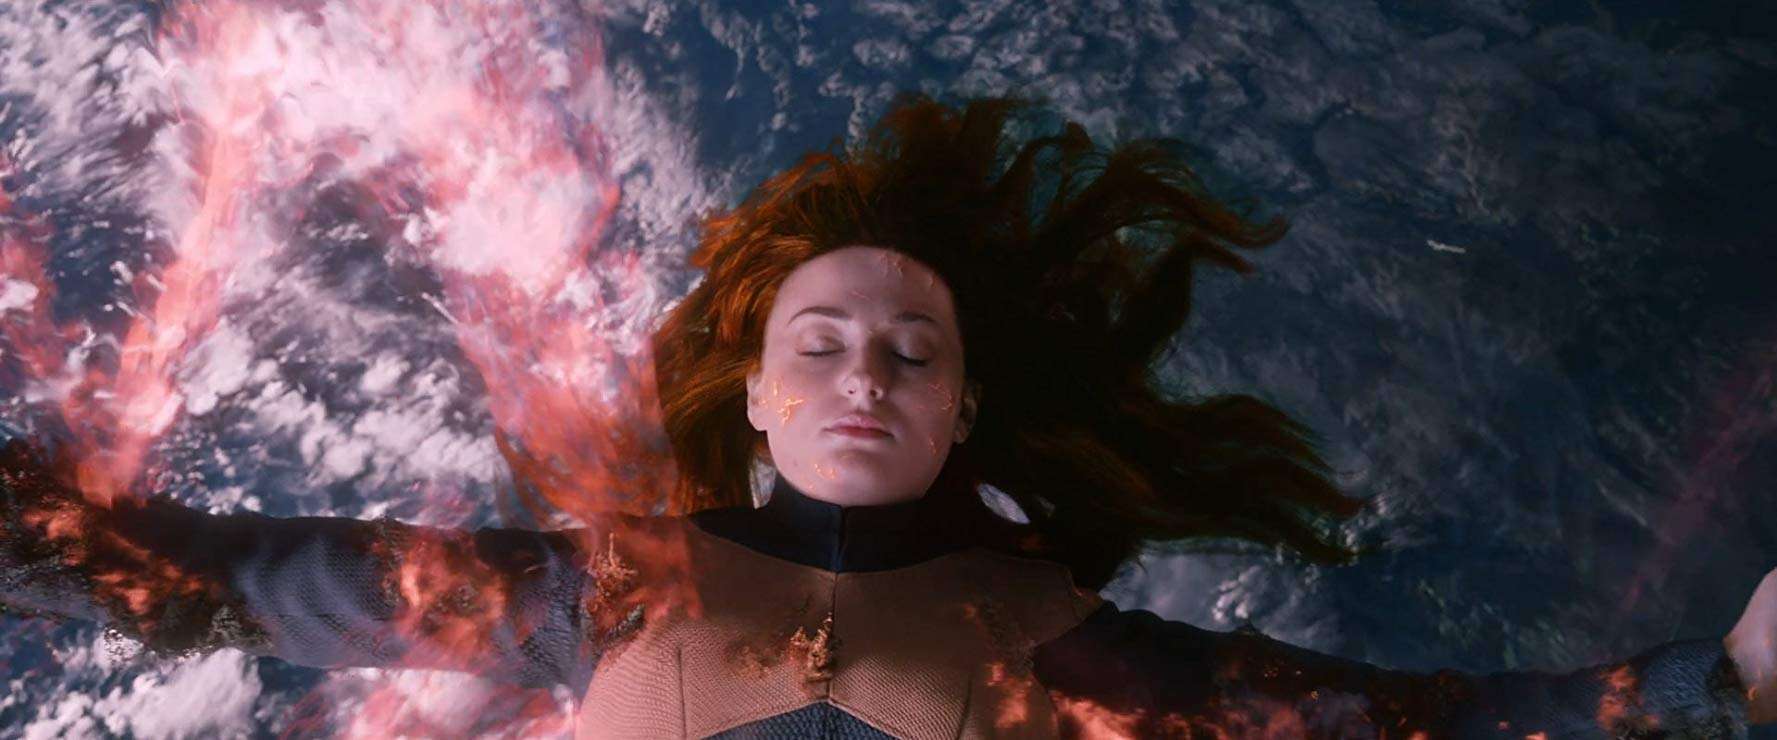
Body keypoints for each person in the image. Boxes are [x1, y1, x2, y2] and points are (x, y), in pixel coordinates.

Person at [1, 95, 1770, 738]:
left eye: (911, 353)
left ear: (963, 407)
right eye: (826, 345)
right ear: (758, 394)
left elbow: (1418, 726)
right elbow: (232, 583)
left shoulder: (1065, 645)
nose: (866, 377)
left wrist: (1728, 684)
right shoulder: (600, 592)